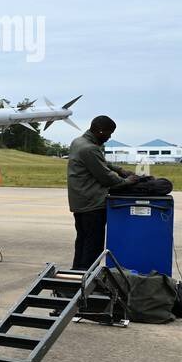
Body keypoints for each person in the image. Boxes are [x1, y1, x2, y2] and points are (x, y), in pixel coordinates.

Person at [67, 115, 138, 269]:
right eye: (109, 133)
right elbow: (106, 177)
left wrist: (120, 170)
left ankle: (75, 277)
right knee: (93, 246)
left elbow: (102, 162)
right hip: (92, 204)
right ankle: (87, 281)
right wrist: (127, 181)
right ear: (100, 131)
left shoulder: (79, 142)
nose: (109, 137)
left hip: (80, 202)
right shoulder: (89, 148)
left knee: (82, 242)